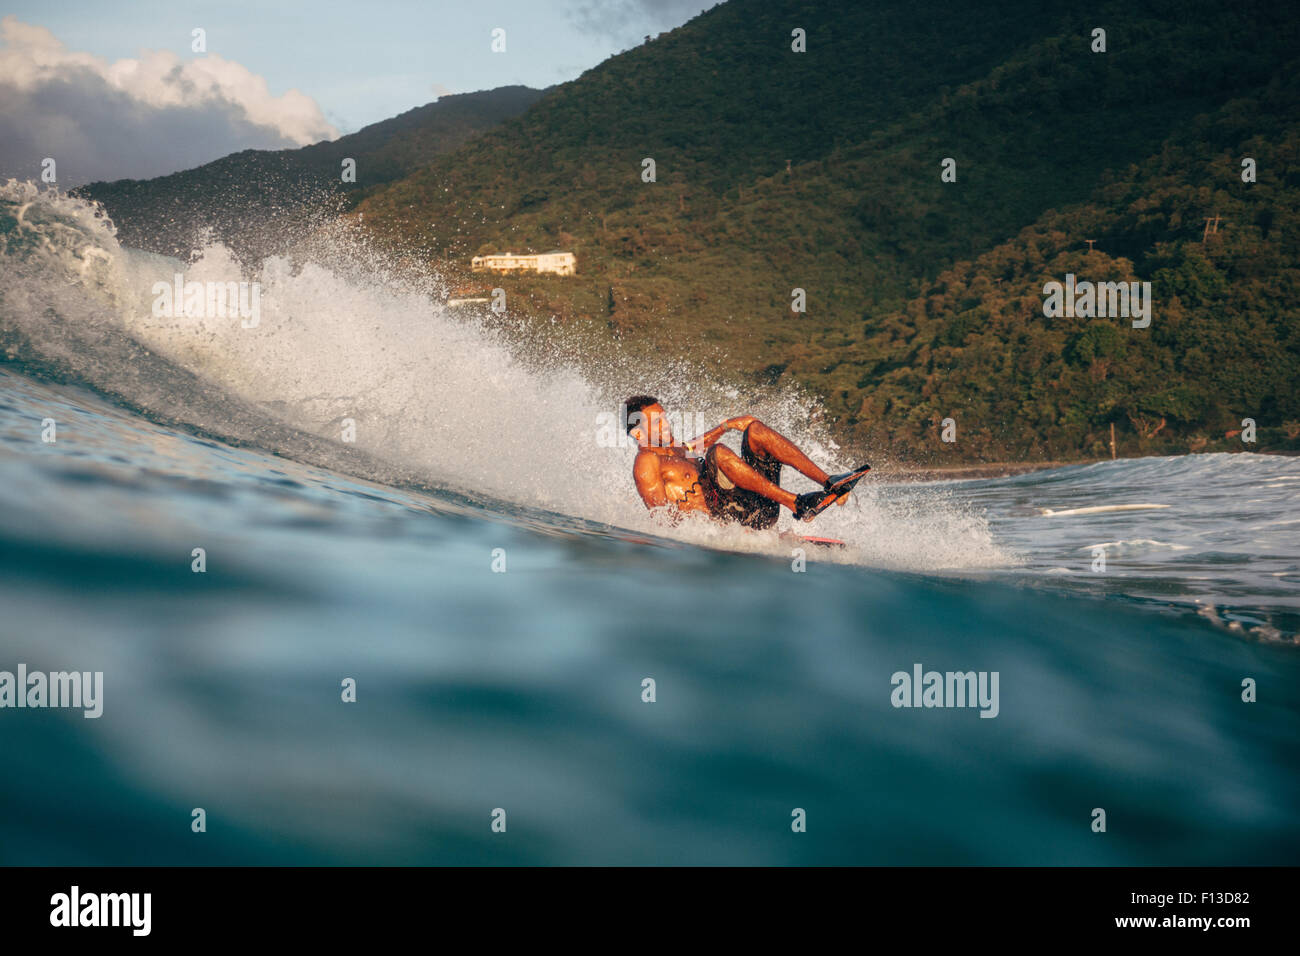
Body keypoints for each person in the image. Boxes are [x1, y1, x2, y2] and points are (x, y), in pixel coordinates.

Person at [623, 395, 869, 528]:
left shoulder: (675, 449)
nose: (666, 424)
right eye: (657, 422)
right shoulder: (646, 462)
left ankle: (829, 481)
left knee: (755, 431)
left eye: (664, 417)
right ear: (637, 433)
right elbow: (661, 519)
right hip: (730, 520)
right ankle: (796, 503)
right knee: (718, 454)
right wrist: (709, 536)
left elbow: (699, 444)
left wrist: (729, 425)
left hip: (753, 506)